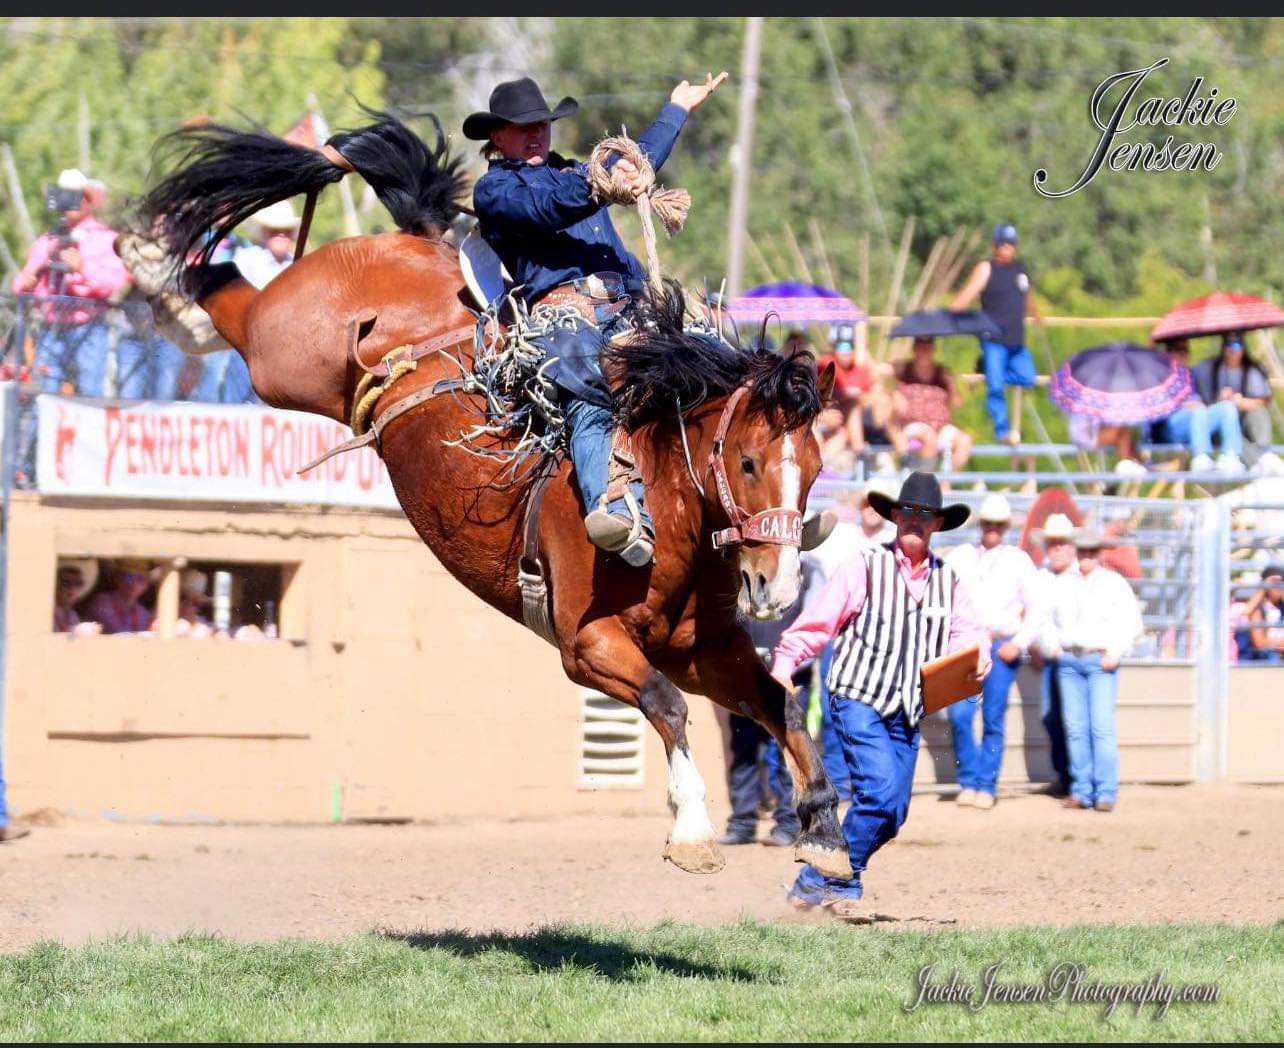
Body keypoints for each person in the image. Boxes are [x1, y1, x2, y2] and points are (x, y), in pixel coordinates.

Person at [468, 72, 726, 566]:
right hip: (563, 316)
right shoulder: (496, 190)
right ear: (497, 136)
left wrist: (676, 110)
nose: (536, 133)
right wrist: (603, 183)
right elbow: (546, 208)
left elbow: (635, 158)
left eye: (541, 124)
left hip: (632, 306)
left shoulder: (571, 173)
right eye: (523, 127)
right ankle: (619, 513)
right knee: (592, 392)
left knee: (718, 363)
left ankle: (760, 512)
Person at [770, 471, 991, 918]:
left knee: (895, 813)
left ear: (937, 525)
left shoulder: (950, 581)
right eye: (908, 512)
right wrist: (784, 663)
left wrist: (976, 656)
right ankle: (842, 886)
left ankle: (814, 879)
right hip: (858, 698)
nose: (915, 521)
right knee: (880, 793)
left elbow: (967, 635)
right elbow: (819, 623)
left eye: (925, 516)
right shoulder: (864, 566)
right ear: (894, 516)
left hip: (907, 709)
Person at [12, 169, 131, 483]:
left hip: (88, 327)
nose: (71, 204)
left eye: (77, 196)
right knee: (44, 397)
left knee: (90, 396)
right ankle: (33, 468)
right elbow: (21, 286)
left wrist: (82, 269)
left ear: (89, 201)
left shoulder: (104, 239)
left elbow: (114, 283)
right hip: (52, 329)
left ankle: (90, 471)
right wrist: (33, 275)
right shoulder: (47, 241)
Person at [944, 493, 1040, 810]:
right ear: (981, 524)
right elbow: (940, 592)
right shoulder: (961, 556)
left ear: (1006, 526)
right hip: (965, 645)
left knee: (993, 718)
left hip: (1000, 646)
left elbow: (1037, 608)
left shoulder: (1019, 560)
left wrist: (1019, 642)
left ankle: (986, 784)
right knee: (959, 716)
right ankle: (970, 780)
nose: (992, 529)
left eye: (998, 524)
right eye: (988, 523)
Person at [1039, 528, 1144, 812]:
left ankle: (1105, 790)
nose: (1086, 557)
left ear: (1099, 554)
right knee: (1075, 728)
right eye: (1082, 551)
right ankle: (1082, 789)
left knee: (1099, 727)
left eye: (1091, 552)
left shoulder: (1113, 583)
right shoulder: (1064, 584)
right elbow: (1045, 619)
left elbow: (1131, 623)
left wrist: (1116, 652)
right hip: (1070, 660)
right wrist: (1055, 649)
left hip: (1099, 660)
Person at [949, 223, 1042, 444]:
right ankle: (1002, 431)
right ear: (994, 245)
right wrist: (956, 314)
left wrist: (1036, 314)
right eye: (1002, 243)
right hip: (994, 339)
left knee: (1027, 378)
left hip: (1016, 340)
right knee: (997, 388)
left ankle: (990, 370)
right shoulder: (986, 268)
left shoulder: (1020, 269)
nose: (1006, 248)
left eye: (1010, 244)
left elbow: (1026, 295)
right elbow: (965, 296)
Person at [1149, 339, 1245, 474]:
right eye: (1179, 350)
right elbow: (1154, 411)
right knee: (1198, 411)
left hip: (1197, 421)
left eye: (1186, 351)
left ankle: (1231, 456)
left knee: (1227, 407)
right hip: (1170, 428)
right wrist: (1182, 405)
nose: (1184, 354)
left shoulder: (1190, 374)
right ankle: (1201, 457)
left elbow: (1203, 400)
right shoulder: (1157, 376)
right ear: (1167, 352)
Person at [1031, 513, 1077, 795]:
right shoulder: (1040, 578)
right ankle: (1066, 775)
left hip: (1073, 656)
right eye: (1053, 544)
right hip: (1052, 657)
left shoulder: (1081, 577)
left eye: (1062, 544)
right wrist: (1040, 645)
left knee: (1073, 720)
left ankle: (1076, 778)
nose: (1057, 549)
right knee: (1053, 717)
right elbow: (1036, 617)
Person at [1191, 333, 1280, 473]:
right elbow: (1189, 379)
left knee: (1257, 411)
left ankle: (1264, 451)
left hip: (1245, 421)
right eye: (1229, 345)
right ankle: (1259, 461)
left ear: (1243, 348)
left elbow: (1263, 401)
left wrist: (1241, 402)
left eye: (1237, 345)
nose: (1233, 350)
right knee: (1227, 417)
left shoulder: (1252, 370)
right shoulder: (1209, 368)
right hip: (1222, 425)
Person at [890, 337, 974, 471]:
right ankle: (924, 480)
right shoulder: (903, 369)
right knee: (929, 437)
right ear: (914, 350)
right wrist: (894, 395)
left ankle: (945, 481)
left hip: (940, 425)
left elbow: (957, 404)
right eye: (921, 347)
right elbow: (877, 376)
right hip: (913, 424)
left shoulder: (942, 372)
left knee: (965, 441)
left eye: (928, 348)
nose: (924, 352)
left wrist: (951, 384)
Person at [86, 558, 156, 634]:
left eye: (140, 579)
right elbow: (116, 631)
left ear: (146, 585)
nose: (133, 583)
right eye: (128, 577)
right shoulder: (101, 602)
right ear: (117, 578)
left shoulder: (142, 613)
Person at [1241, 562, 1284, 663]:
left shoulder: (1280, 608)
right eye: (1274, 583)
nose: (1279, 587)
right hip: (1266, 658)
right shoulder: (1257, 609)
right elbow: (1260, 643)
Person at [52, 561, 101, 635]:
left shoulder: (73, 615)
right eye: (66, 582)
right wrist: (75, 631)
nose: (72, 588)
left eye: (78, 583)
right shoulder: (45, 611)